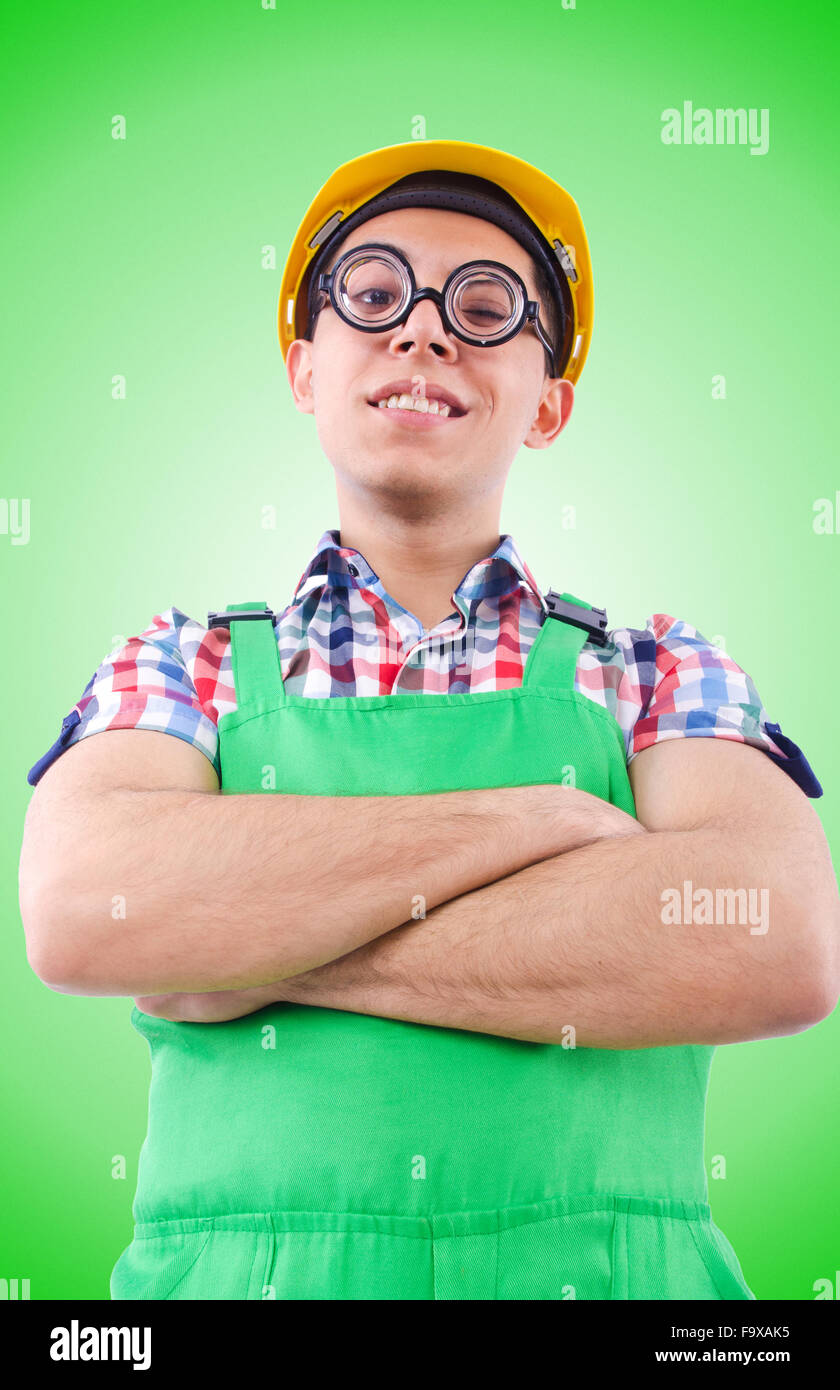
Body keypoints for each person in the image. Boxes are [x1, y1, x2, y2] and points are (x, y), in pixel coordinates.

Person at [20, 140, 840, 1302]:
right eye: (370, 295)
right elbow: (81, 909)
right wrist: (545, 821)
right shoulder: (178, 661)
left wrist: (237, 941)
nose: (422, 330)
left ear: (548, 403)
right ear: (305, 369)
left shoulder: (662, 669)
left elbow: (779, 936)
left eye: (486, 306)